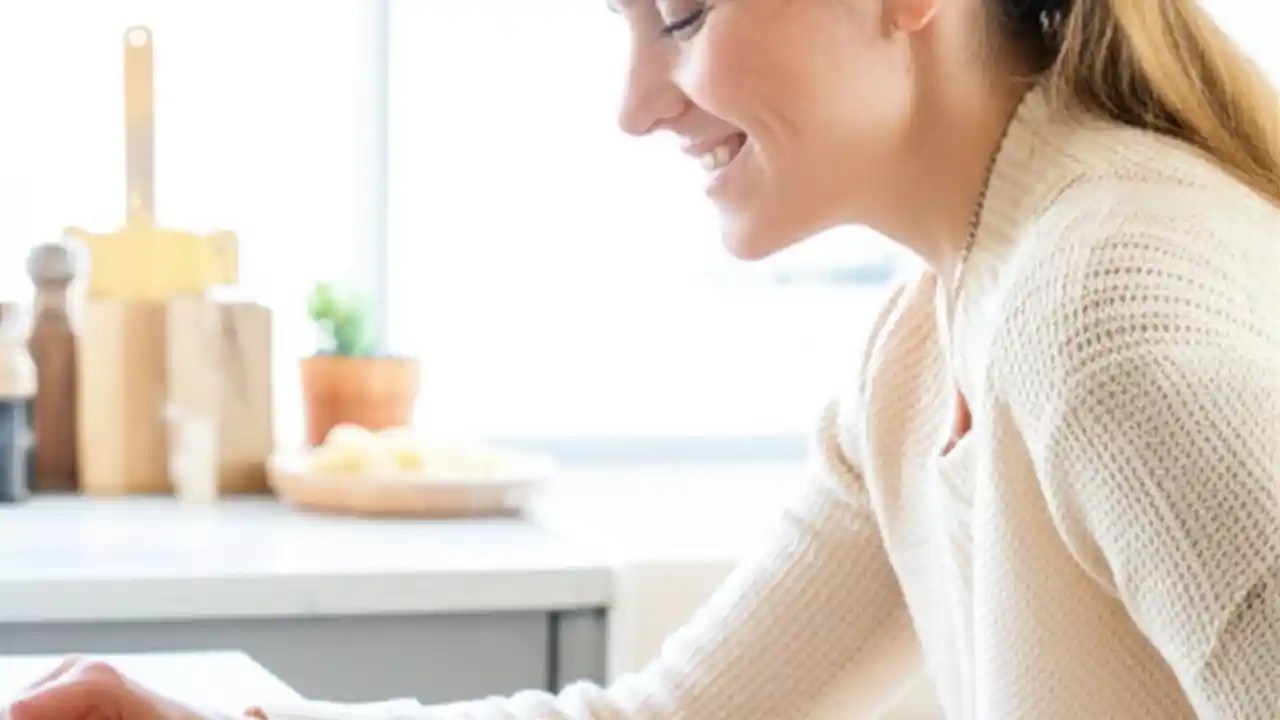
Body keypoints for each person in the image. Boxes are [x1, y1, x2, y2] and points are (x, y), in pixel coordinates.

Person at [6, 0, 1280, 717]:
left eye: (678, 12)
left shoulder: (1105, 321)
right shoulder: (924, 340)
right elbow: (678, 718)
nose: (633, 102)